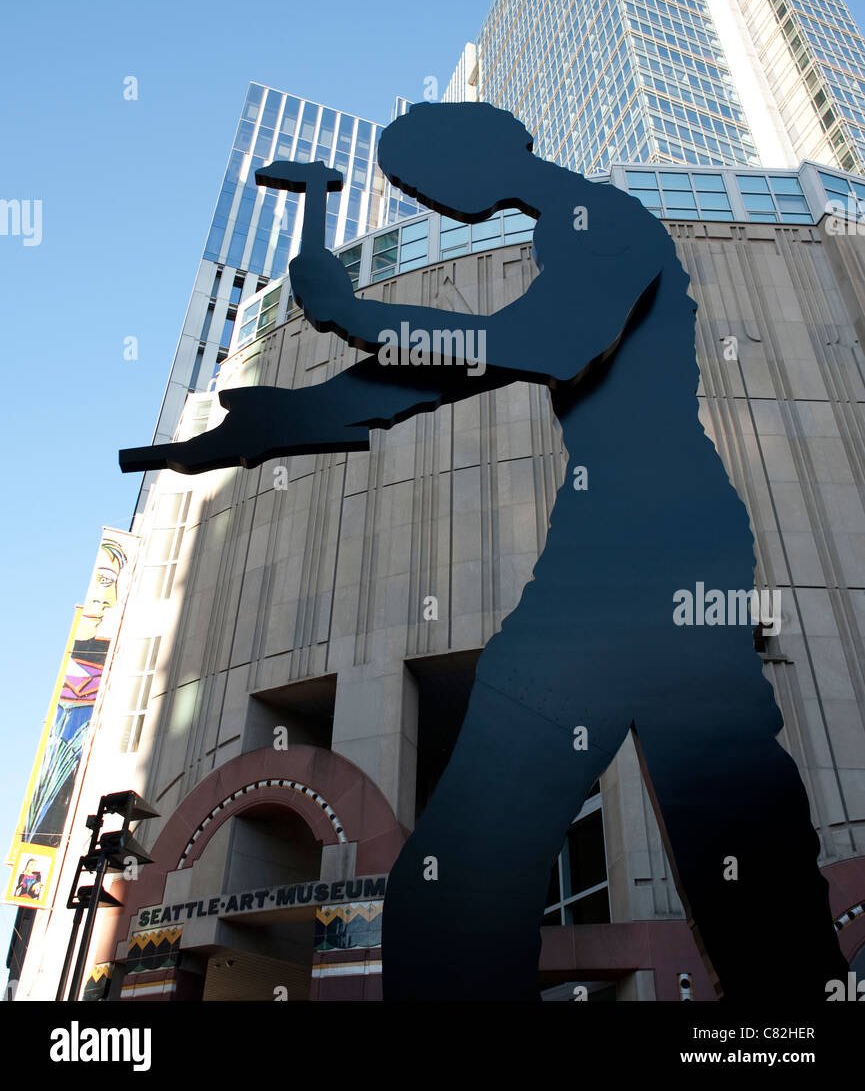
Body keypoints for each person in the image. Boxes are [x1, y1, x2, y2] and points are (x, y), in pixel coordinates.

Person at [121, 102, 846, 1000]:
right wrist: (286, 419)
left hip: (663, 549)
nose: (428, 196)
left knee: (734, 855)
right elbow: (451, 366)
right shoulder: (568, 230)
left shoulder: (602, 219)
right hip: (609, 552)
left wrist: (354, 310)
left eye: (425, 177)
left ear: (486, 153)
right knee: (467, 884)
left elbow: (550, 343)